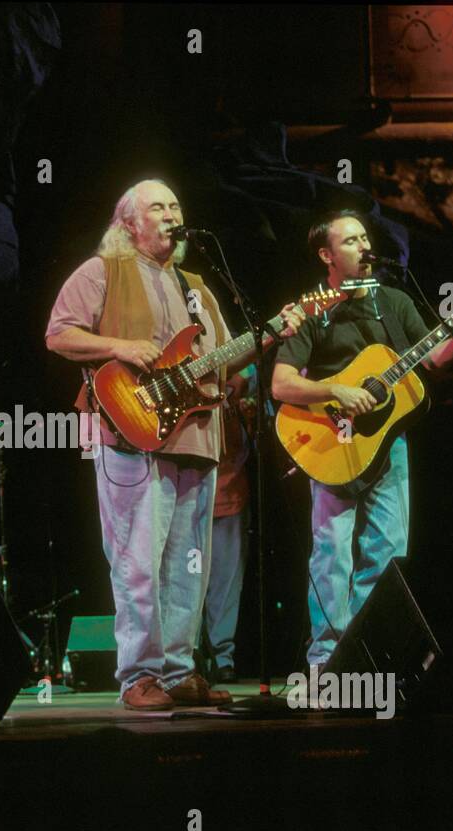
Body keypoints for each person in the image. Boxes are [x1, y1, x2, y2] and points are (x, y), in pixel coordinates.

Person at [46, 179, 303, 710]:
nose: (170, 214)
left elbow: (222, 358)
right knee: (138, 558)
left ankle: (181, 671)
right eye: (157, 206)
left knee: (191, 562)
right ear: (129, 223)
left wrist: (274, 333)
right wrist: (119, 345)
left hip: (198, 435)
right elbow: (59, 333)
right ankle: (139, 676)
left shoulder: (197, 287)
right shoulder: (103, 271)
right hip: (130, 433)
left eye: (175, 205)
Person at [270, 209, 453, 668]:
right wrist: (335, 389)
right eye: (350, 241)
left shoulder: (394, 300)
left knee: (388, 554)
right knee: (333, 556)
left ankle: (373, 657)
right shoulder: (313, 309)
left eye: (365, 238)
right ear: (326, 255)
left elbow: (435, 357)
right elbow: (282, 384)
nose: (363, 247)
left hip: (389, 444)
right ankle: (327, 661)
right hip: (333, 443)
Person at [199, 365, 257, 685]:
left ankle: (222, 658)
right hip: (186, 490)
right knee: (185, 581)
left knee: (225, 583)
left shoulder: (235, 363)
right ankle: (186, 656)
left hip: (230, 488)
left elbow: (252, 378)